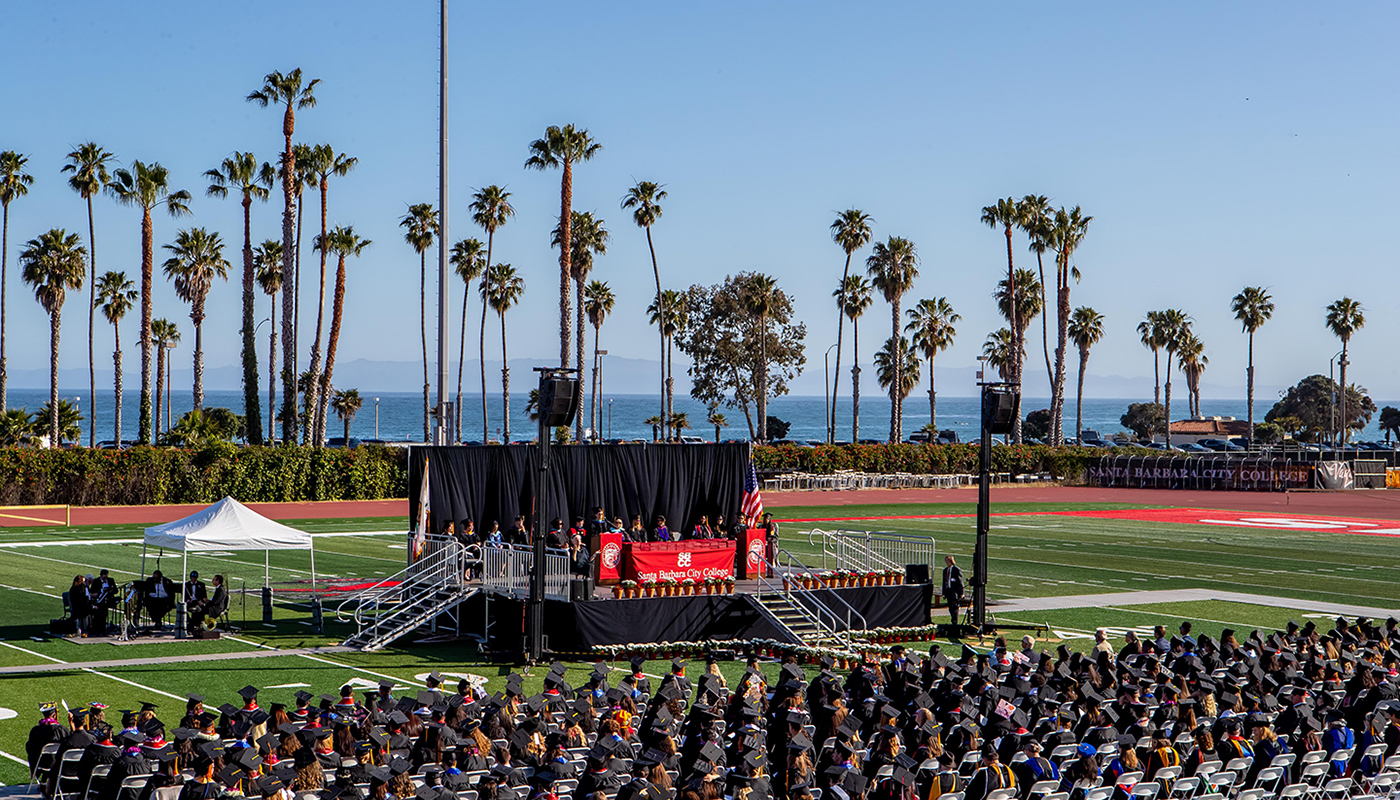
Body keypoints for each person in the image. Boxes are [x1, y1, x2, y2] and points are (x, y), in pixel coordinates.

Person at [90, 569, 118, 635]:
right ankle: (98, 628)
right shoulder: (96, 581)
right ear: (101, 576)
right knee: (99, 614)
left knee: (105, 613)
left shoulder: (111, 580)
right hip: (99, 600)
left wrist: (110, 590)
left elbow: (116, 590)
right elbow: (92, 590)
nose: (106, 578)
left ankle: (104, 628)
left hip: (108, 600)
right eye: (104, 577)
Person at [941, 555, 964, 631]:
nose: (946, 562)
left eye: (947, 560)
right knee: (950, 607)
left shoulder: (956, 570)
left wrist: (961, 593)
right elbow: (944, 582)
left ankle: (955, 622)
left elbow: (960, 582)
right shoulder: (945, 570)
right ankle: (952, 620)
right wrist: (943, 593)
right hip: (948, 591)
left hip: (954, 591)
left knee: (954, 607)